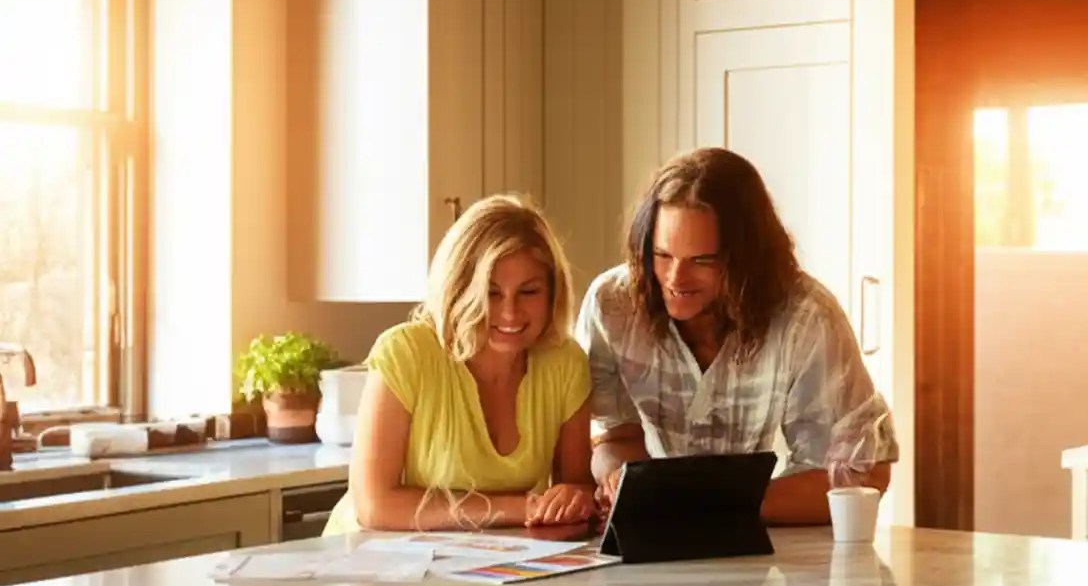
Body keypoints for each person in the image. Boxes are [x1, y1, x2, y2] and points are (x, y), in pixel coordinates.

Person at [576, 147, 898, 526]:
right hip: (654, 539)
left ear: (747, 259)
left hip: (762, 533)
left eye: (702, 260)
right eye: (662, 255)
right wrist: (628, 483)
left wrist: (709, 505)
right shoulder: (612, 304)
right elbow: (613, 436)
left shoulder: (806, 318)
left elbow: (867, 470)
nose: (675, 280)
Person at [324, 194, 596, 535]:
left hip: (490, 568)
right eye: (491, 293)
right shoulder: (406, 352)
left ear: (553, 292)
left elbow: (578, 485)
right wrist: (520, 507)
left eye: (529, 292)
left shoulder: (565, 362)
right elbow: (375, 505)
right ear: (459, 290)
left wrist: (574, 497)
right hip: (371, 567)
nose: (510, 313)